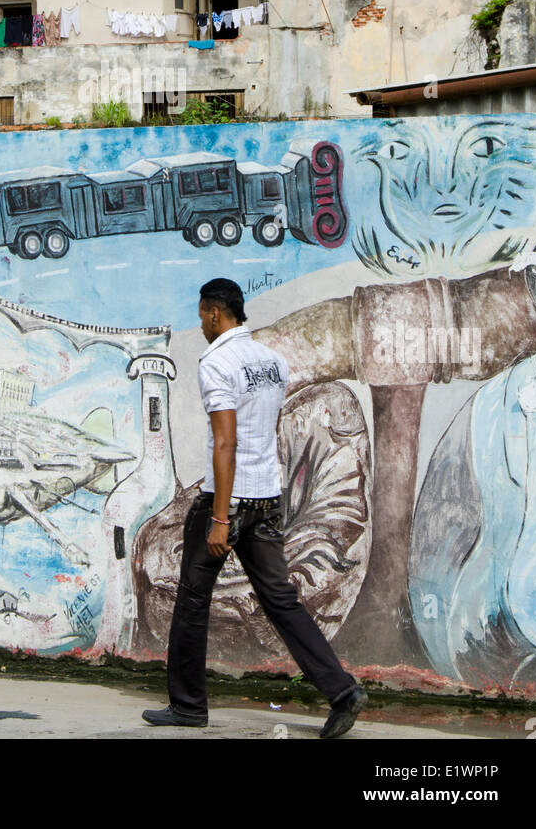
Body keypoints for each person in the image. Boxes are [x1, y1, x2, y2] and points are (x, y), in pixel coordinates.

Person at [142, 278, 368, 739]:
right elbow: (262, 431)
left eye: (202, 315)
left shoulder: (216, 362)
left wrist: (221, 519)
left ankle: (187, 706)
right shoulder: (272, 361)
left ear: (213, 314)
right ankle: (342, 691)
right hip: (267, 499)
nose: (201, 323)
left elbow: (226, 442)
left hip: (227, 501)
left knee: (191, 601)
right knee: (282, 600)